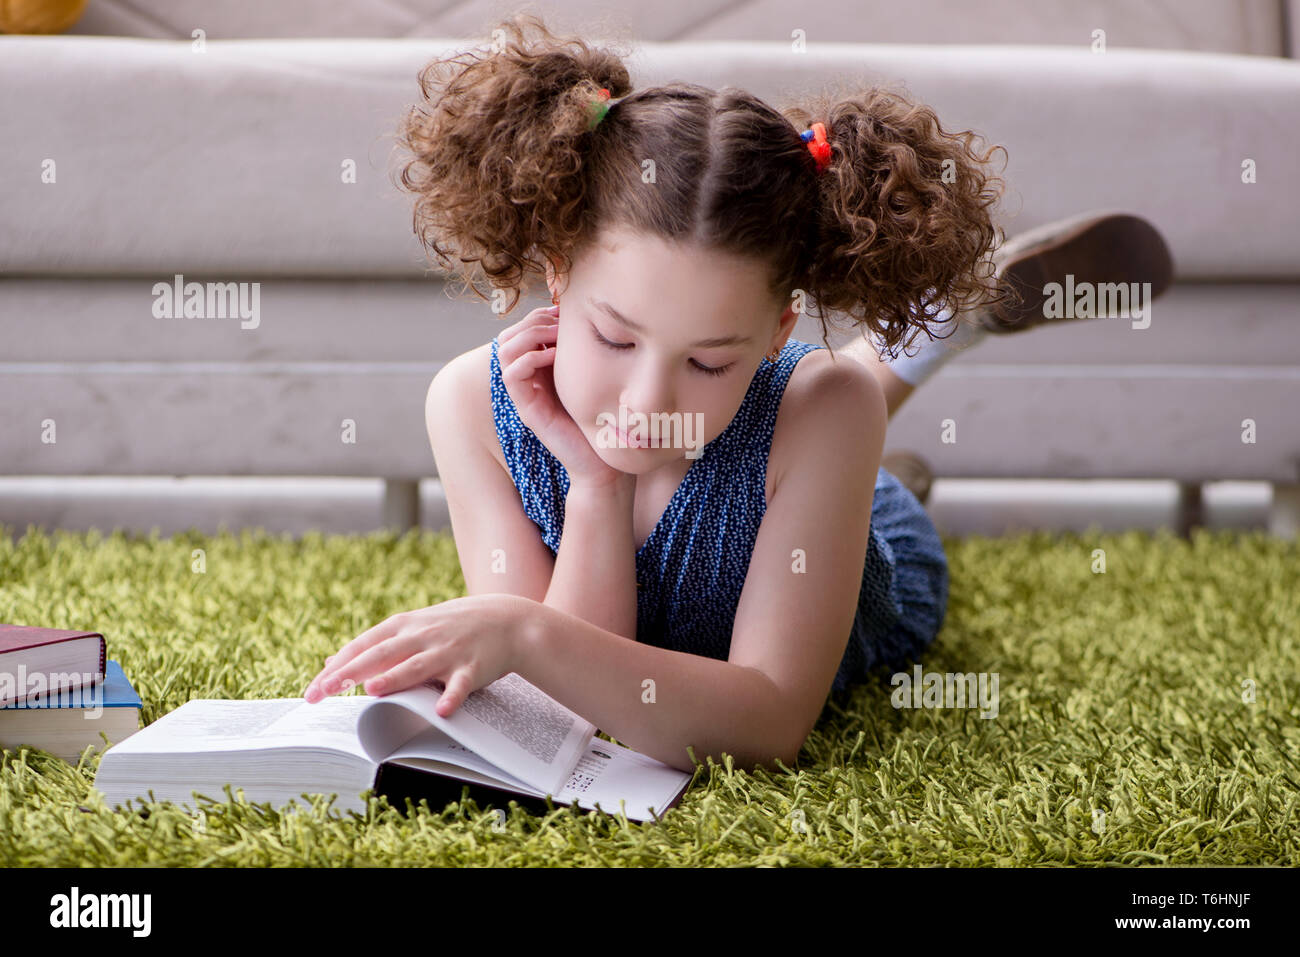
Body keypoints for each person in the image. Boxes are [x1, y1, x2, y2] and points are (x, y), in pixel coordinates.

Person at [302, 12, 1173, 775]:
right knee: (821, 418)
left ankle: (925, 345)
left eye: (711, 361)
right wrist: (599, 483)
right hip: (794, 460)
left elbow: (769, 720)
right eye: (613, 337)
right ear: (557, 274)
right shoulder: (469, 404)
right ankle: (931, 340)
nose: (647, 399)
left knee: (843, 411)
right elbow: (561, 714)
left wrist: (521, 633)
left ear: (776, 333)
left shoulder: (821, 408)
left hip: (870, 535)